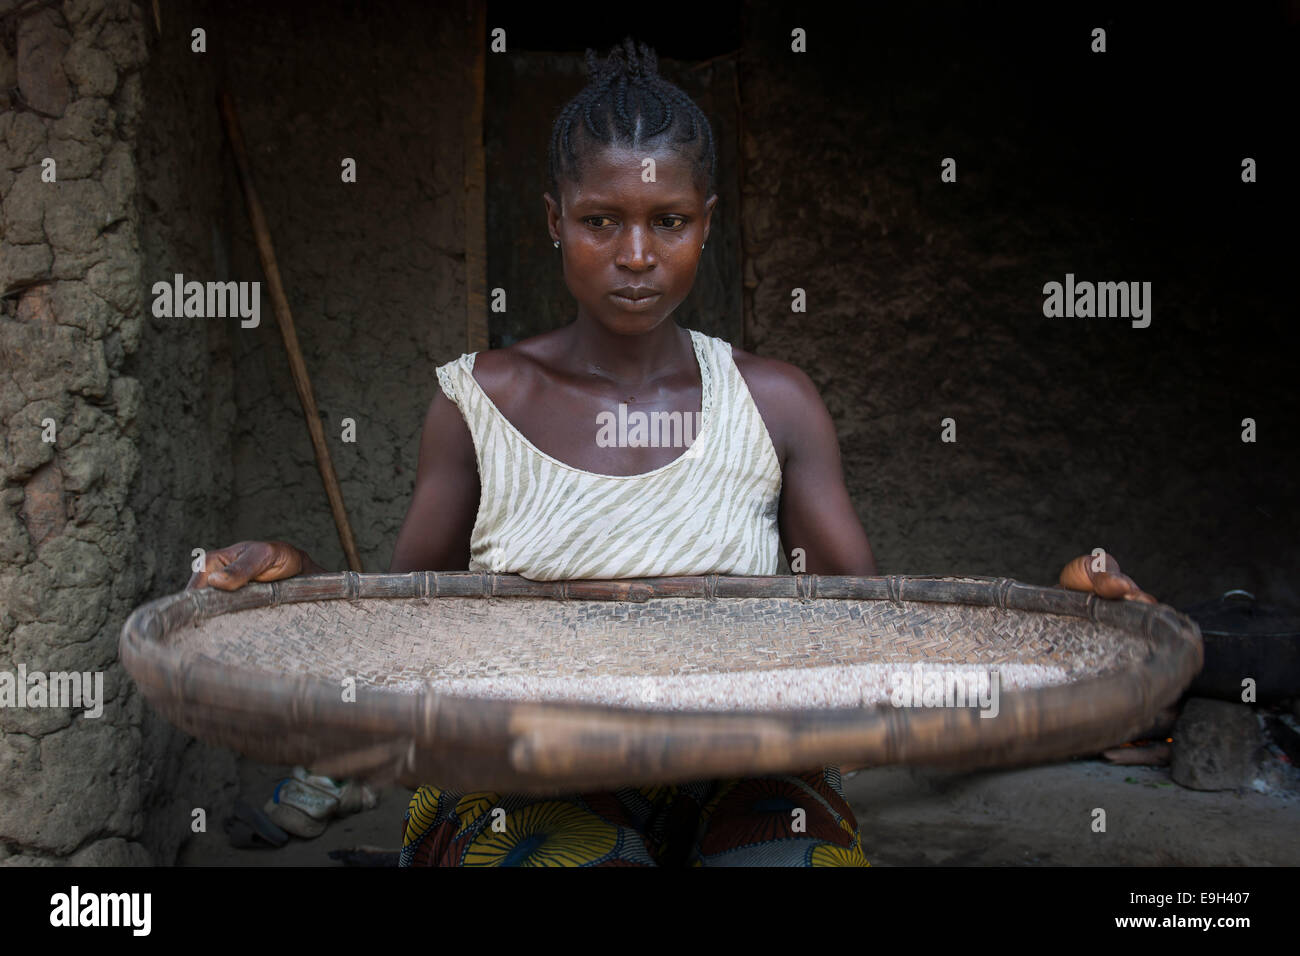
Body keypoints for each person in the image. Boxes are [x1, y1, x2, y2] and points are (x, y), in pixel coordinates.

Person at [188, 39, 1156, 866]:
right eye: (602, 220)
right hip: (513, 771)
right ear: (552, 222)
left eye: (669, 221)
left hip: (741, 766)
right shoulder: (477, 403)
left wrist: (1061, 616)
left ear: (708, 221)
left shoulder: (773, 404)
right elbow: (403, 641)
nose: (637, 254)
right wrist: (299, 585)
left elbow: (868, 639)